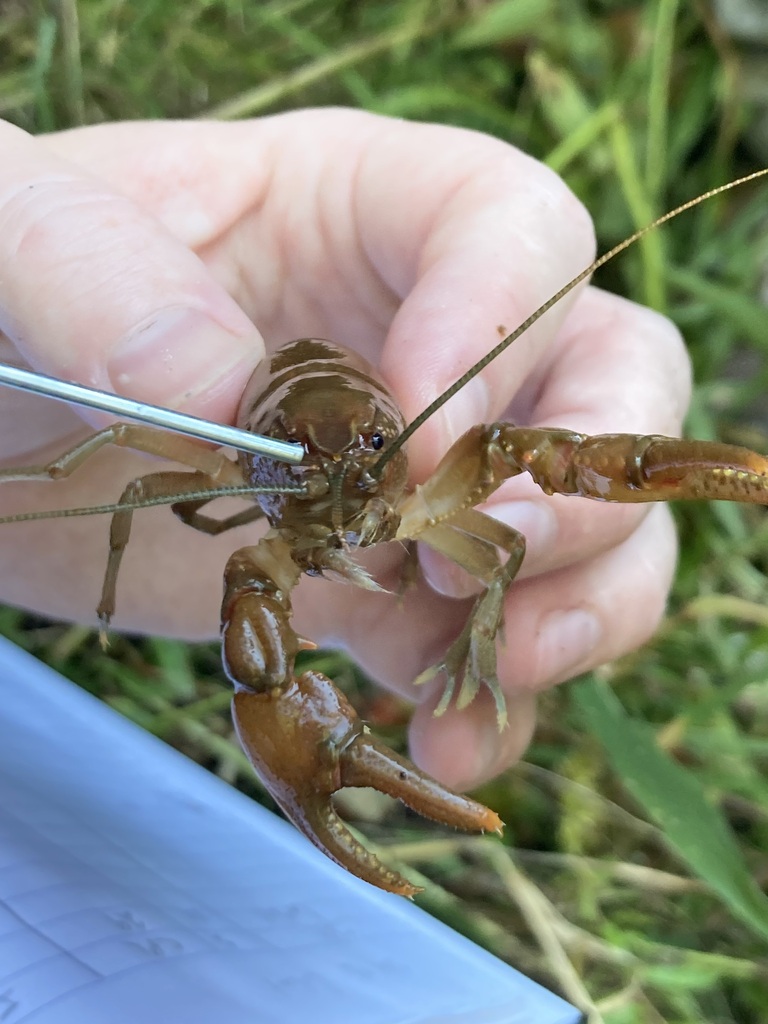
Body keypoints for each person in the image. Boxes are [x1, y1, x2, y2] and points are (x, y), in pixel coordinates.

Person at [0, 109, 686, 791]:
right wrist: (43, 475)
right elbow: (122, 440)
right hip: (262, 417)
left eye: (378, 454)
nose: (339, 492)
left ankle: (477, 643)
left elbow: (503, 550)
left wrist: (479, 629)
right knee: (131, 463)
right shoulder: (229, 467)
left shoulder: (399, 474)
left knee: (505, 544)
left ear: (394, 440)